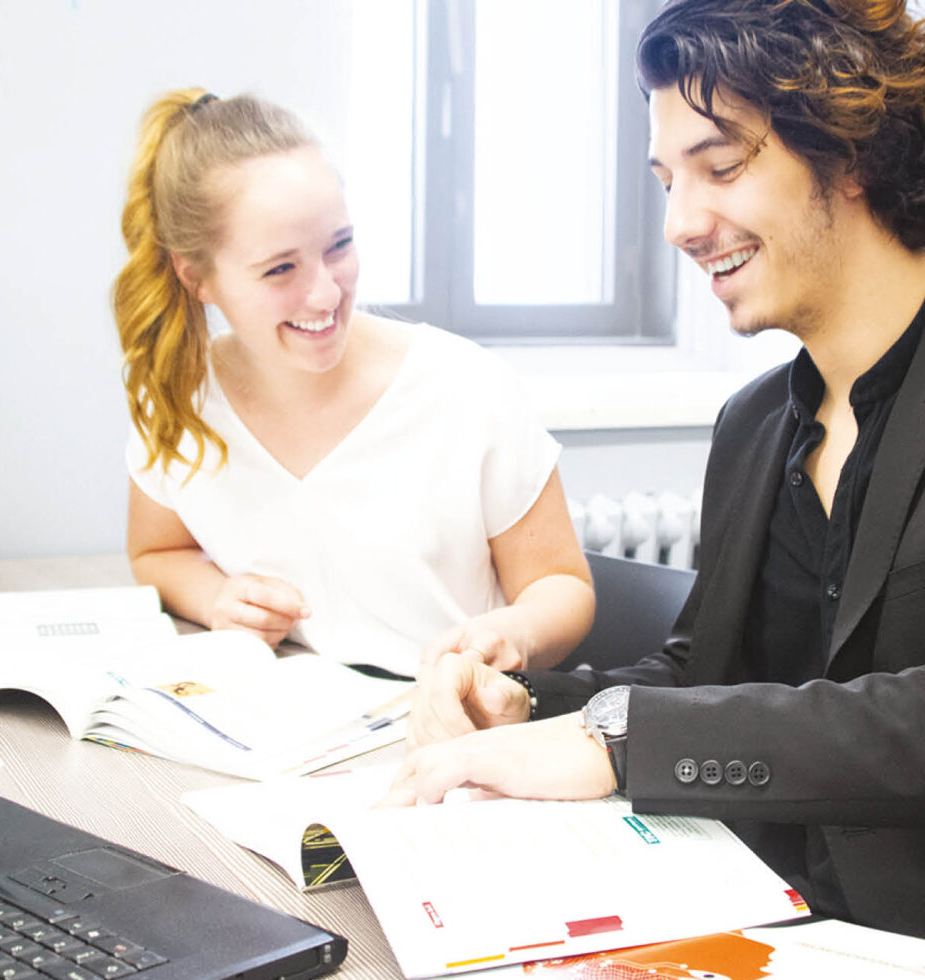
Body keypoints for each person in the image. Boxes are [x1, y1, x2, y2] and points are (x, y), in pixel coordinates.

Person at [383, 2, 925, 980]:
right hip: (800, 962)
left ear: (849, 149)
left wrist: (616, 741)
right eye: (667, 181)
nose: (682, 223)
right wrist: (526, 711)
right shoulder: (752, 425)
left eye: (720, 167)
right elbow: (706, 671)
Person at [113, 89, 594, 679]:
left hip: (447, 731)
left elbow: (564, 586)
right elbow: (156, 553)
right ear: (198, 279)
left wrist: (514, 631)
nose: (325, 294)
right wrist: (216, 597)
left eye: (339, 246)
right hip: (286, 725)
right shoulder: (176, 398)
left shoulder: (467, 389)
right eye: (281, 268)